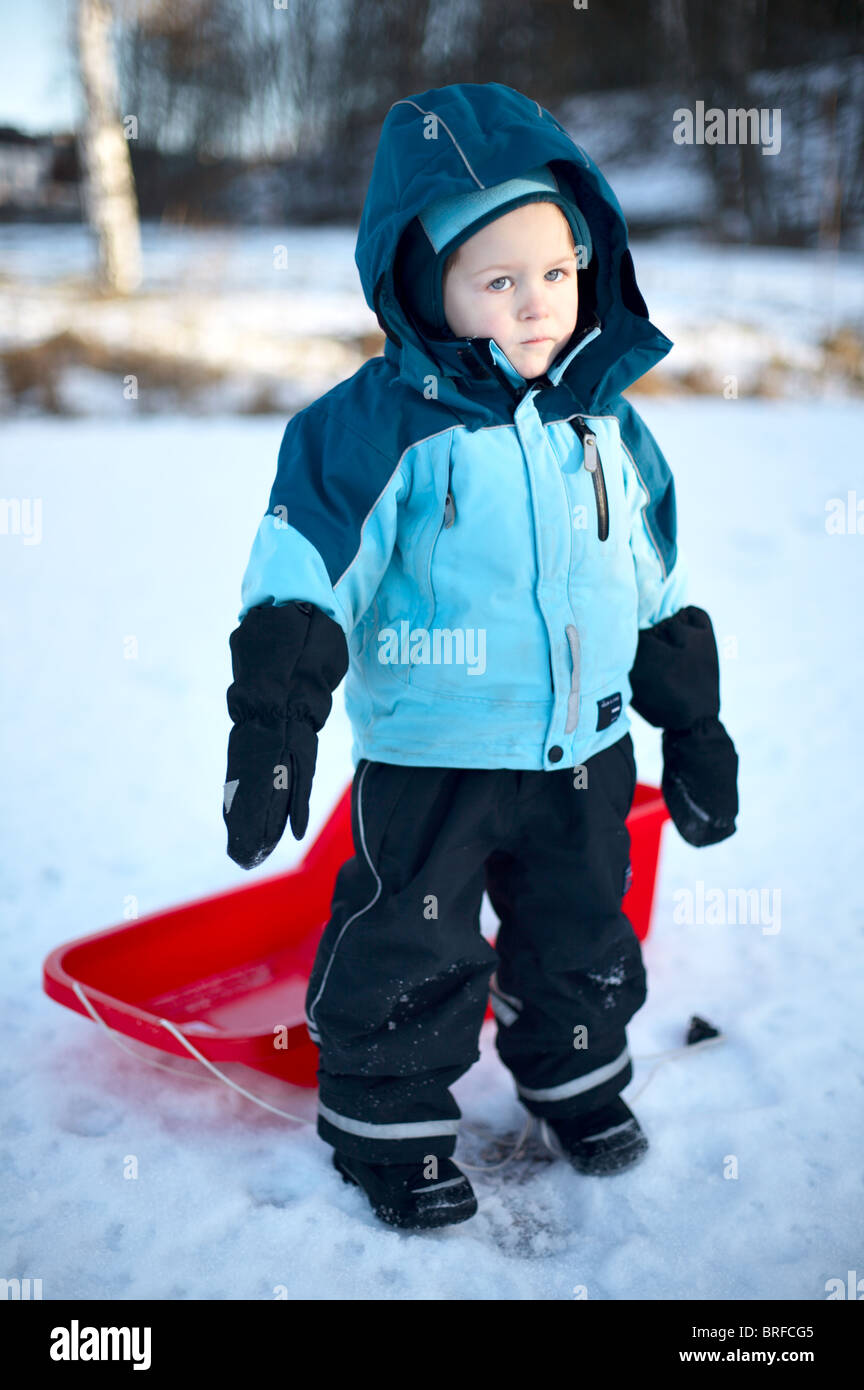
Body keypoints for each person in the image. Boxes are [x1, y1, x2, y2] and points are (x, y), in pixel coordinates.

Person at [222, 82, 739, 1232]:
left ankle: (573, 1070)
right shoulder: (372, 430)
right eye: (498, 281)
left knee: (585, 927)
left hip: (586, 748)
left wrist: (694, 725)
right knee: (411, 938)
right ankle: (388, 1119)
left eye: (556, 271)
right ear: (425, 285)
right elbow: (306, 578)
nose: (538, 302)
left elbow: (656, 578)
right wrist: (272, 727)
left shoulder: (606, 423)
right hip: (436, 755)